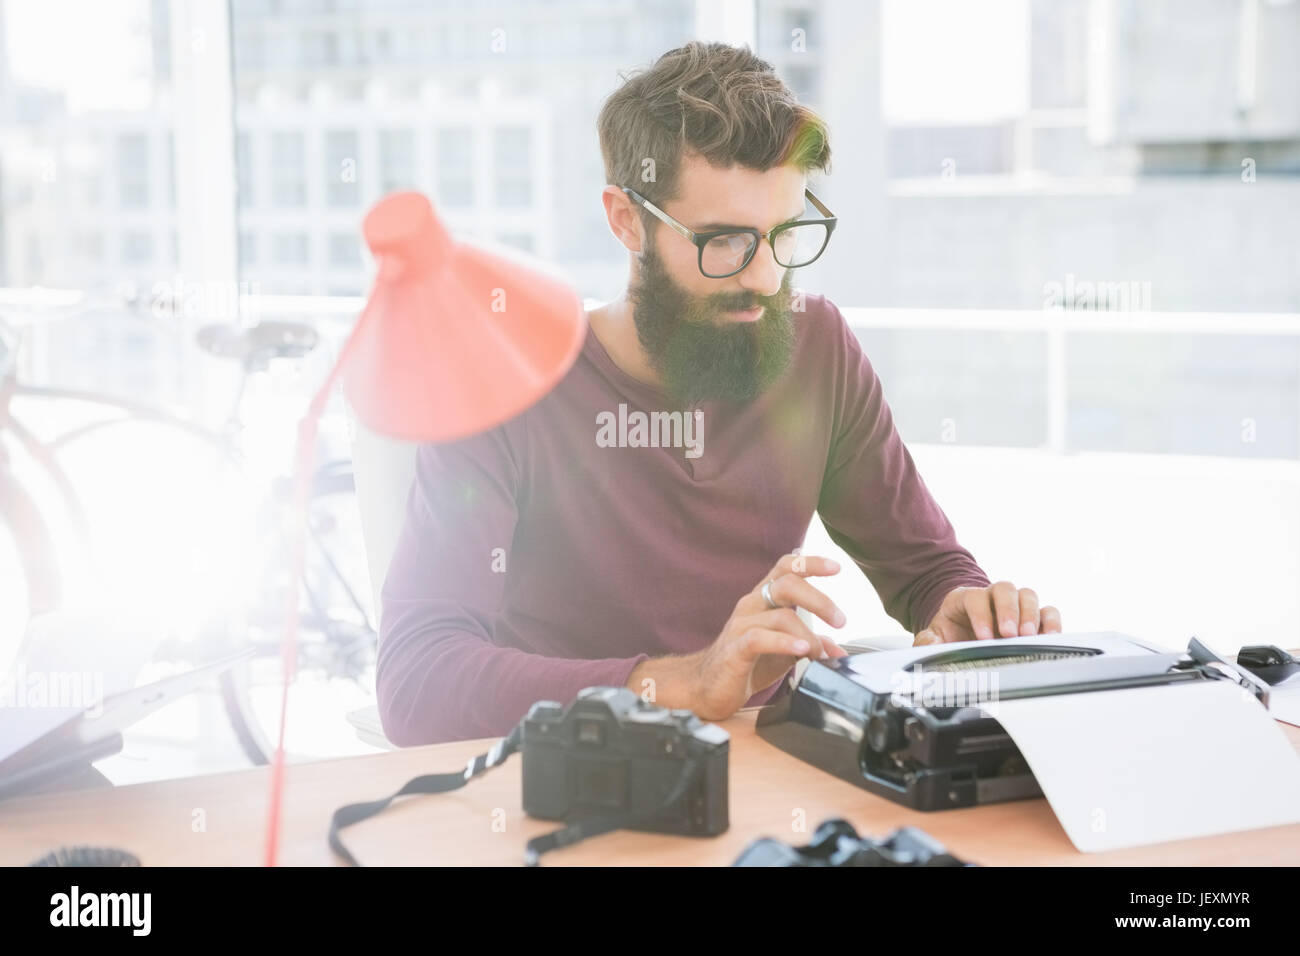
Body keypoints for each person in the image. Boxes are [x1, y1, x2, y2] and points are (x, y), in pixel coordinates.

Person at [377, 41, 1061, 745]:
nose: (764, 278)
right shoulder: (507, 385)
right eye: (725, 241)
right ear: (626, 219)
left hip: (763, 775)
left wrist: (965, 614)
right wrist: (685, 684)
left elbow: (925, 567)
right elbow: (416, 681)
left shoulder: (814, 344)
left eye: (786, 234)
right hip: (569, 780)